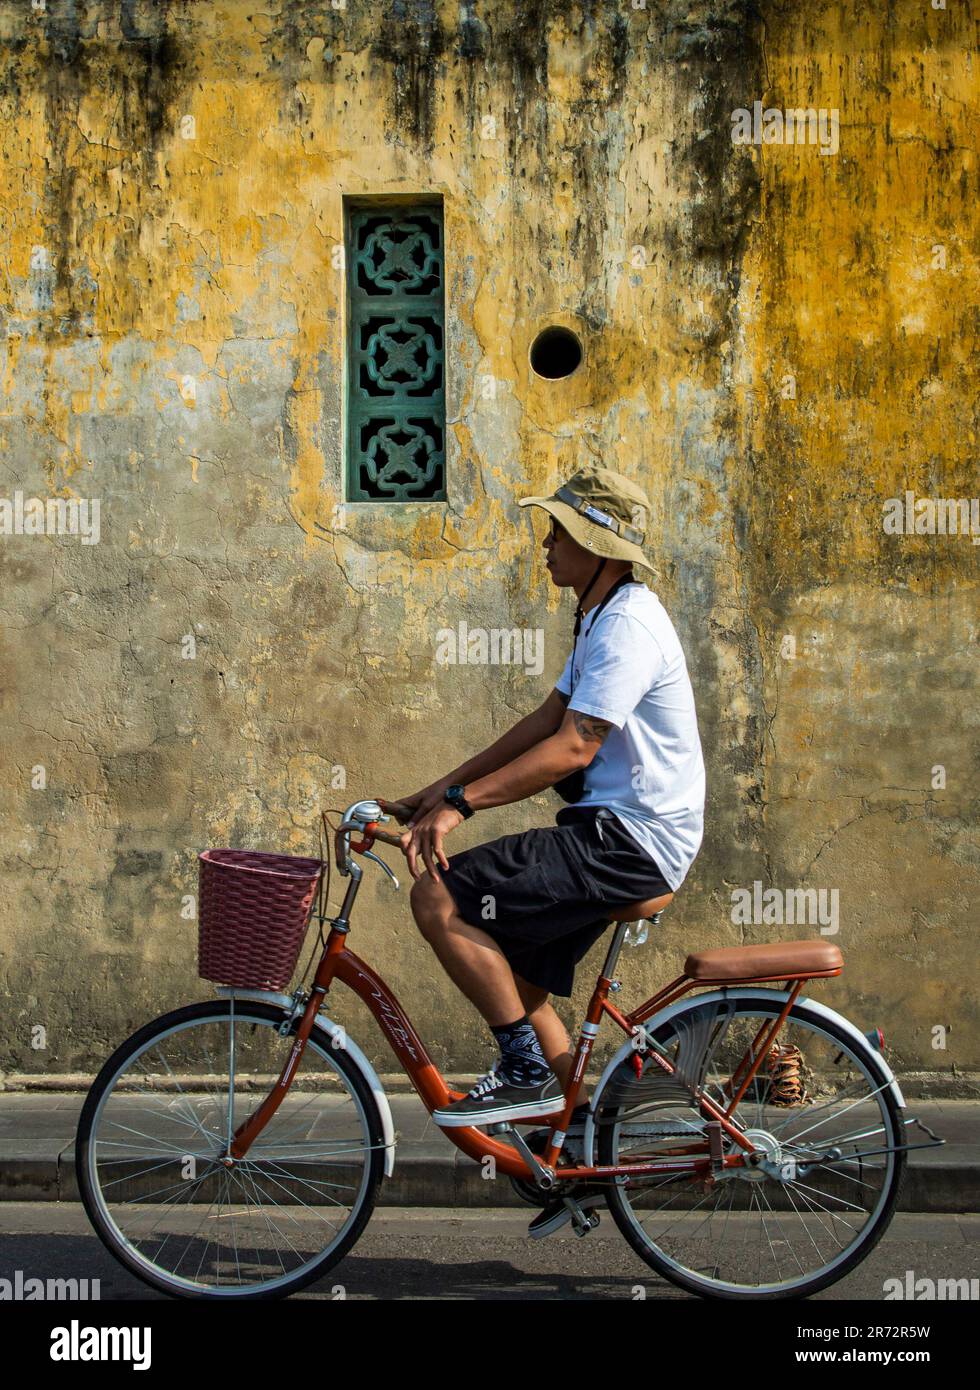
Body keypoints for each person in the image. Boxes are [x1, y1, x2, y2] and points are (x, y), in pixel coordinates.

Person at [381, 466, 705, 1154]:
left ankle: (528, 1073)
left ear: (597, 549)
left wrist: (460, 808)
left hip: (631, 842)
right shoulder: (599, 618)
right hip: (612, 834)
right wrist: (439, 792)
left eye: (560, 532)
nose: (547, 544)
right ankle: (578, 1132)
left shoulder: (630, 627)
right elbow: (547, 719)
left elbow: (574, 748)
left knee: (437, 899)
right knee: (514, 975)